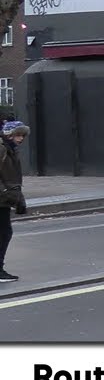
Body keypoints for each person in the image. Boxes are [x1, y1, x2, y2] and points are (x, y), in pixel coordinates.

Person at [0, 120, 30, 282]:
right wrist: (6, 192)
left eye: (23, 135)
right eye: (18, 135)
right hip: (2, 198)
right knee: (4, 233)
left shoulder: (10, 149)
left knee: (5, 232)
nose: (21, 139)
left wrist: (19, 198)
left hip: (5, 198)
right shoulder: (3, 149)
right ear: (9, 134)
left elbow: (14, 179)